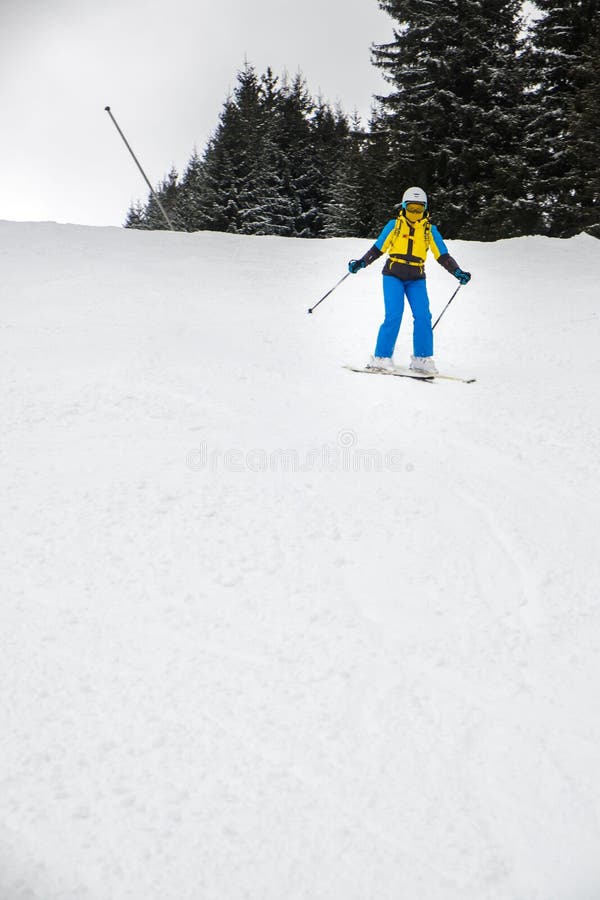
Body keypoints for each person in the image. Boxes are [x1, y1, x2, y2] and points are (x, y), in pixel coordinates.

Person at [348, 186, 471, 374]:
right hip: (393, 275)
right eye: (411, 208)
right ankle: (381, 358)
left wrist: (457, 272)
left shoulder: (429, 230)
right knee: (394, 315)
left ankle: (422, 359)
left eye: (419, 209)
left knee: (423, 316)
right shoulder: (394, 225)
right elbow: (377, 249)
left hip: (416, 278)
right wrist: (361, 263)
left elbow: (443, 255)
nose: (415, 212)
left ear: (425, 209)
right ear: (404, 207)